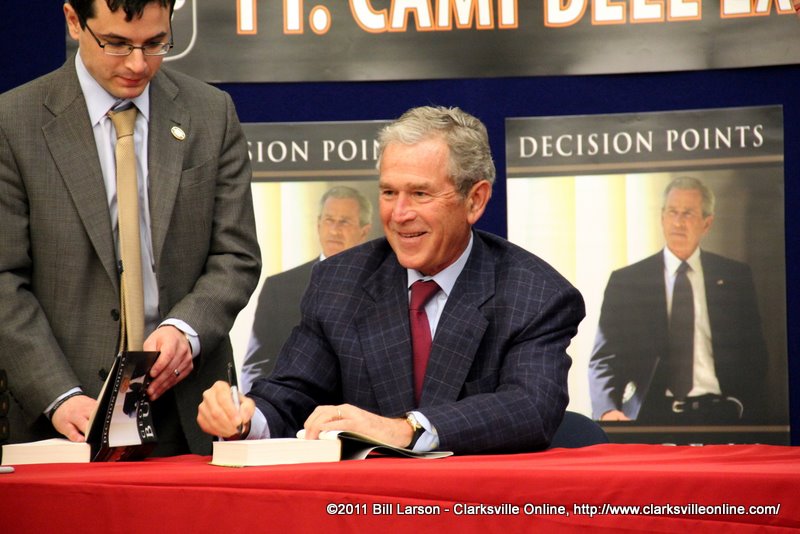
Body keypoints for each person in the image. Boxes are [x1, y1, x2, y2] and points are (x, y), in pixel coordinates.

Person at [198, 105, 585, 455]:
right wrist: (245, 418)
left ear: (475, 201)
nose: (399, 214)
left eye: (419, 193)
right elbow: (293, 393)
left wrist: (406, 430)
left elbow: (530, 407)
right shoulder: (339, 280)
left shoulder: (536, 294)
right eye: (388, 192)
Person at [0, 0, 261, 455]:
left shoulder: (211, 113)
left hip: (187, 414)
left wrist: (186, 331)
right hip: (61, 418)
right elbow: (4, 279)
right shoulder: (13, 123)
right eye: (117, 44)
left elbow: (236, 255)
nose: (139, 64)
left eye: (156, 43)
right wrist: (57, 394)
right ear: (73, 20)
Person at [588, 176, 768, 424]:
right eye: (672, 212)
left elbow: (754, 354)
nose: (678, 222)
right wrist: (607, 410)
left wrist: (740, 405)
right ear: (662, 217)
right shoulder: (627, 281)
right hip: (649, 414)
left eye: (688, 214)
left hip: (720, 413)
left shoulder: (734, 277)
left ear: (707, 223)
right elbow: (604, 359)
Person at [239, 185, 373, 392]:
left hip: (359, 417)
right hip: (290, 413)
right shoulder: (279, 288)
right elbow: (257, 365)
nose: (335, 230)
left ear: (364, 231)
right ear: (318, 225)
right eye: (329, 220)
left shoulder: (381, 285)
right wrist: (259, 411)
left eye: (344, 222)